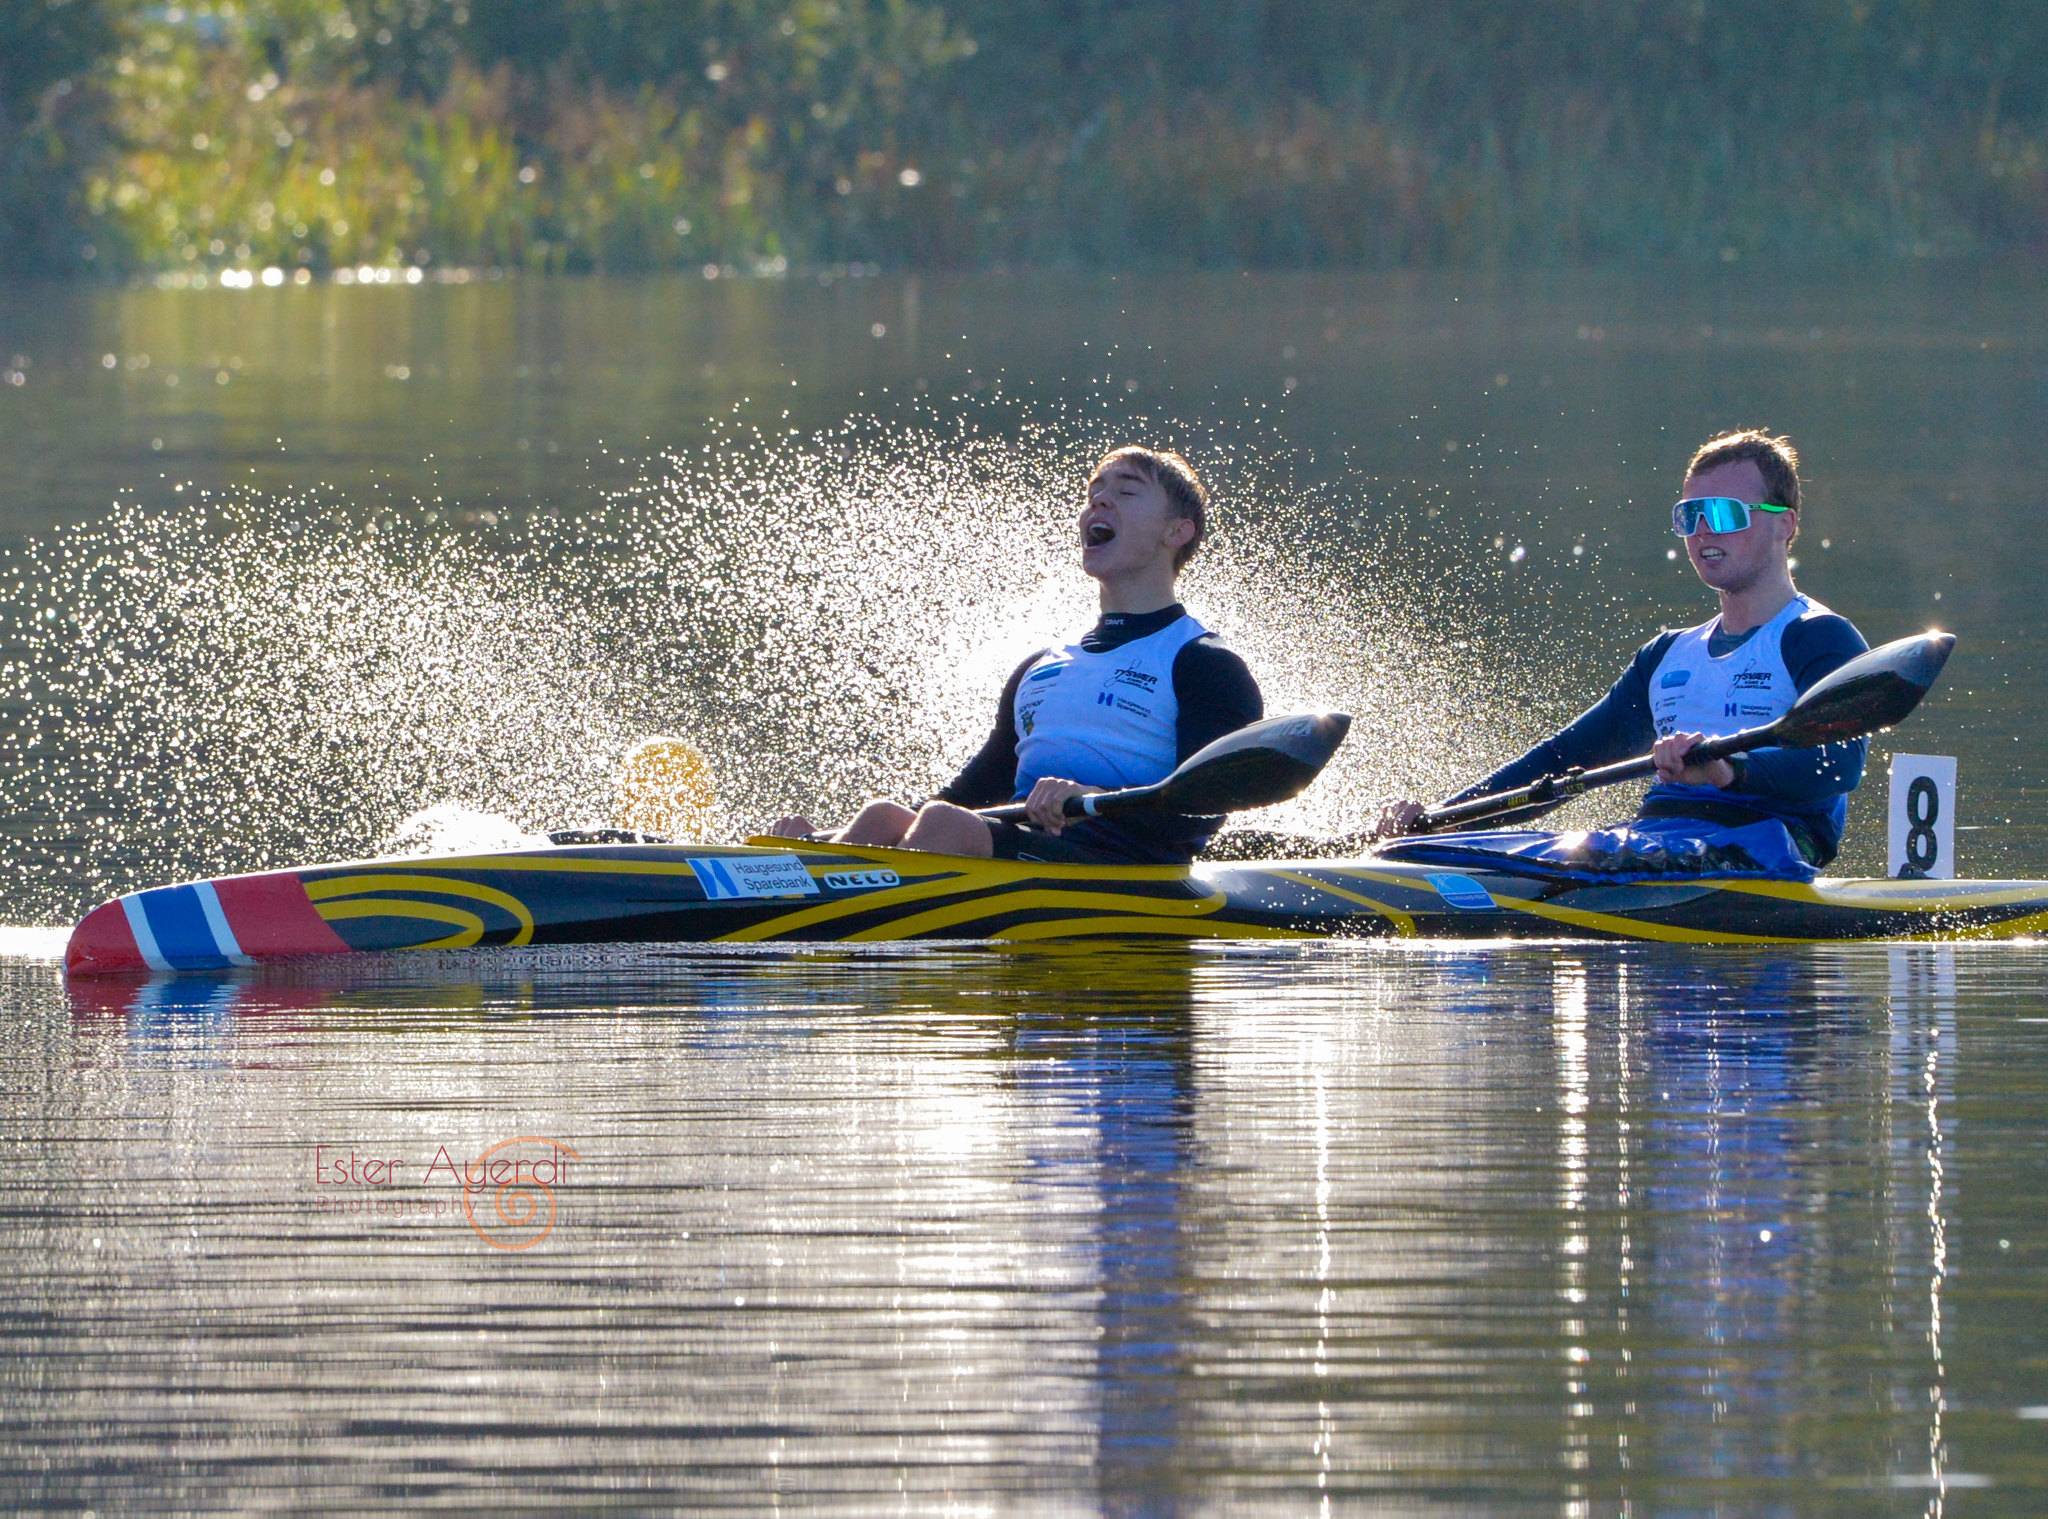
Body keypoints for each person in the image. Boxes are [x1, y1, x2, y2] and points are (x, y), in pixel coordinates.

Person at [1375, 428, 1868, 869]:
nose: (1702, 531)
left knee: (1584, 856)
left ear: (1785, 525)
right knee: (1466, 850)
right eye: (1690, 514)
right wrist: (1439, 823)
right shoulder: (1667, 655)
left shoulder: (1819, 637)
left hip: (1769, 844)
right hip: (1657, 844)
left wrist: (1724, 770)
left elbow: (1837, 765)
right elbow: (1564, 759)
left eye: (1723, 514)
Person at [771, 446, 1264, 864]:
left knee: (946, 826)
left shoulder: (1206, 664)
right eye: (1094, 493)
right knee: (884, 814)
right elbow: (971, 795)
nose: (1100, 501)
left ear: (1177, 532)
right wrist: (823, 842)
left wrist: (1090, 799)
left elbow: (1200, 810)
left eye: (1126, 492)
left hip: (1126, 857)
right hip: (1031, 845)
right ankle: (788, 876)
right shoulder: (1040, 667)